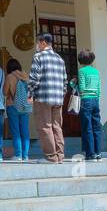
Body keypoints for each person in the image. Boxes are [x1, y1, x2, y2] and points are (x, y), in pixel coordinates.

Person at [29, 32, 67, 163]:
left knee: (45, 126)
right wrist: (61, 95)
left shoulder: (38, 57)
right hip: (58, 98)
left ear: (43, 42)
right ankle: (60, 156)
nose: (37, 45)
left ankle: (51, 157)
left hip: (43, 97)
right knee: (57, 127)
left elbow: (34, 78)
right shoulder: (59, 59)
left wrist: (30, 94)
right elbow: (65, 81)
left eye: (38, 42)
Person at [75, 50, 102, 161]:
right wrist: (96, 98)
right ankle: (98, 152)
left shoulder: (81, 71)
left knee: (87, 127)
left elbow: (81, 87)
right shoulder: (96, 71)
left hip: (85, 100)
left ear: (80, 60)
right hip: (95, 100)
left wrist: (74, 86)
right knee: (96, 126)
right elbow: (99, 87)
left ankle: (90, 153)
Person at [3, 57, 32, 163]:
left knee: (16, 131)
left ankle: (18, 155)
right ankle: (26, 155)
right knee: (25, 131)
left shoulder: (9, 77)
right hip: (25, 107)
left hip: (13, 106)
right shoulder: (26, 76)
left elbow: (5, 93)